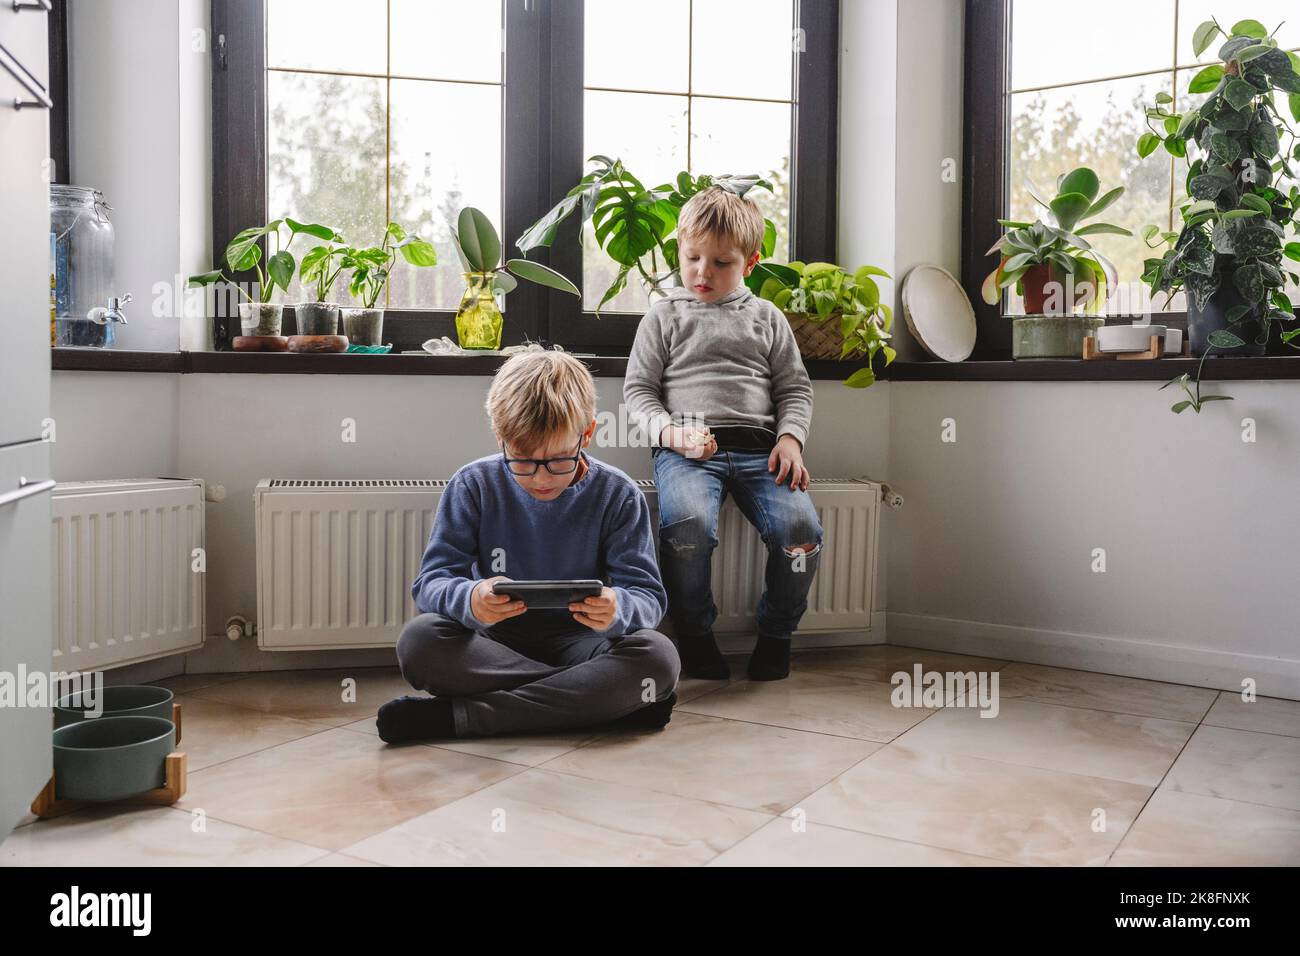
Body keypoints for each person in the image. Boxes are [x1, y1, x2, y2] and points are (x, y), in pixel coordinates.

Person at [377, 351, 679, 744]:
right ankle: (601, 704)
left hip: (586, 645)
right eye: (522, 460)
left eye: (556, 461)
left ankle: (466, 718)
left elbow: (647, 597)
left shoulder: (618, 493)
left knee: (658, 658)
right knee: (420, 642)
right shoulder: (473, 484)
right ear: (501, 439)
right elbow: (431, 583)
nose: (539, 479)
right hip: (492, 645)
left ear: (586, 435)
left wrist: (617, 607)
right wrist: (471, 597)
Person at [624, 185, 824, 682]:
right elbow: (639, 391)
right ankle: (694, 634)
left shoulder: (768, 319)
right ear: (679, 252)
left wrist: (791, 439)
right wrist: (670, 433)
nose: (702, 273)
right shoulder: (664, 315)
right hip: (687, 450)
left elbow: (795, 389)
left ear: (750, 263)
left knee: (800, 534)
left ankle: (777, 634)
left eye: (721, 262)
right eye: (693, 258)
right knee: (687, 530)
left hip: (762, 452)